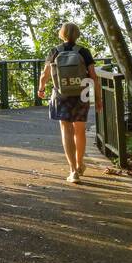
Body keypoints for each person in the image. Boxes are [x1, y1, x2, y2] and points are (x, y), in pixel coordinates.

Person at [36, 22, 102, 183]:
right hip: (82, 94)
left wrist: (41, 88)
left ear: (61, 34)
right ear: (77, 34)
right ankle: (80, 164)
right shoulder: (84, 52)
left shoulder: (54, 51)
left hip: (61, 94)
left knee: (66, 130)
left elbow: (44, 74)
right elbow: (94, 76)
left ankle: (73, 171)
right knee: (79, 130)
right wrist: (98, 98)